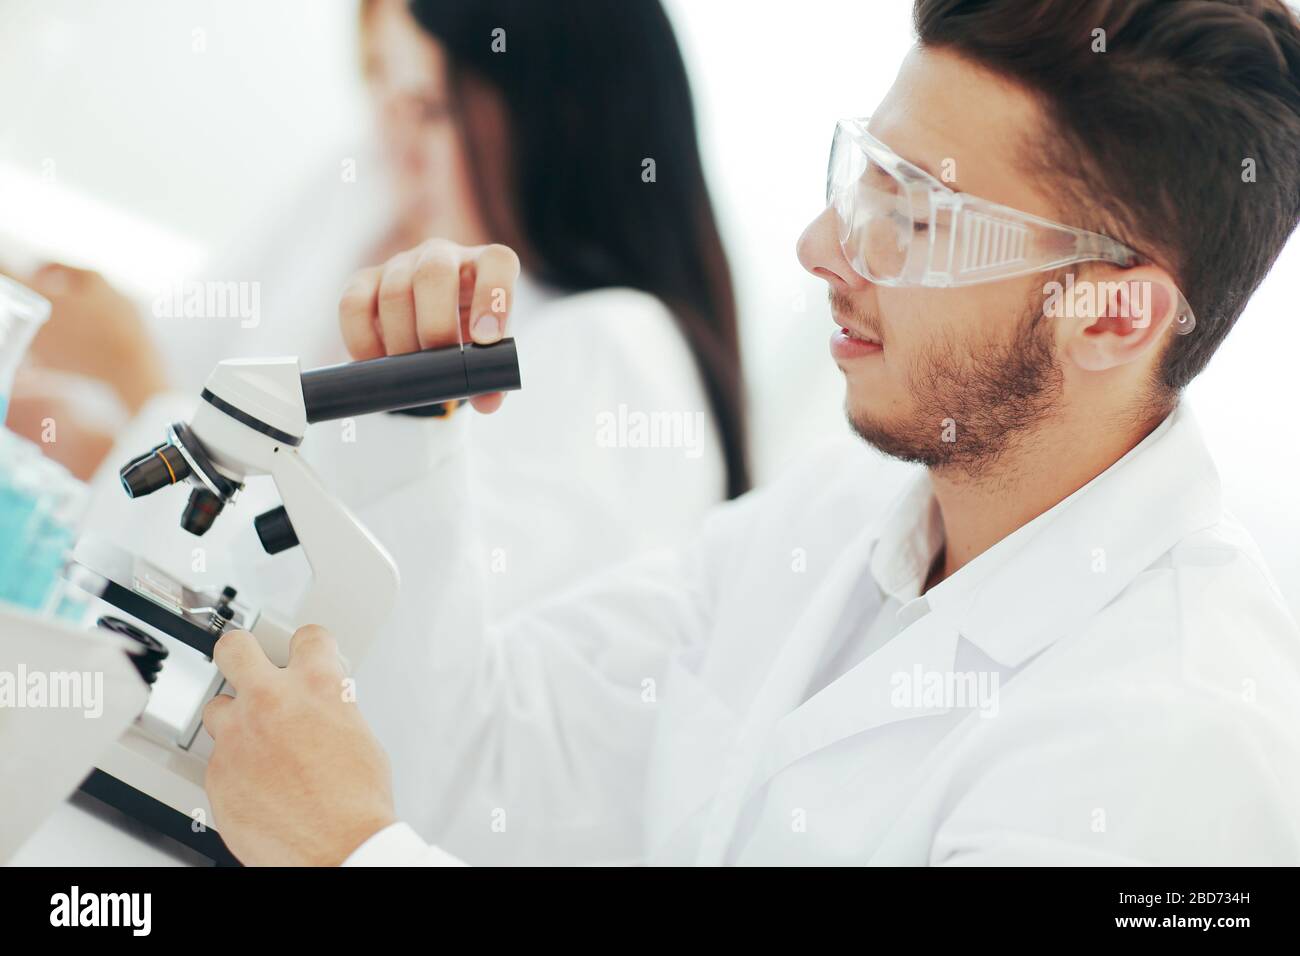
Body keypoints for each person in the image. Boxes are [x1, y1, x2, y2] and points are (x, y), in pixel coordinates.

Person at [200, 0, 1300, 866]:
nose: (823, 245)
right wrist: (410, 417)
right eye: (860, 177)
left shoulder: (1176, 745)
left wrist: (357, 857)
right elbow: (473, 767)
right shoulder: (840, 513)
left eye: (913, 216)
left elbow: (369, 825)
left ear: (1109, 315)